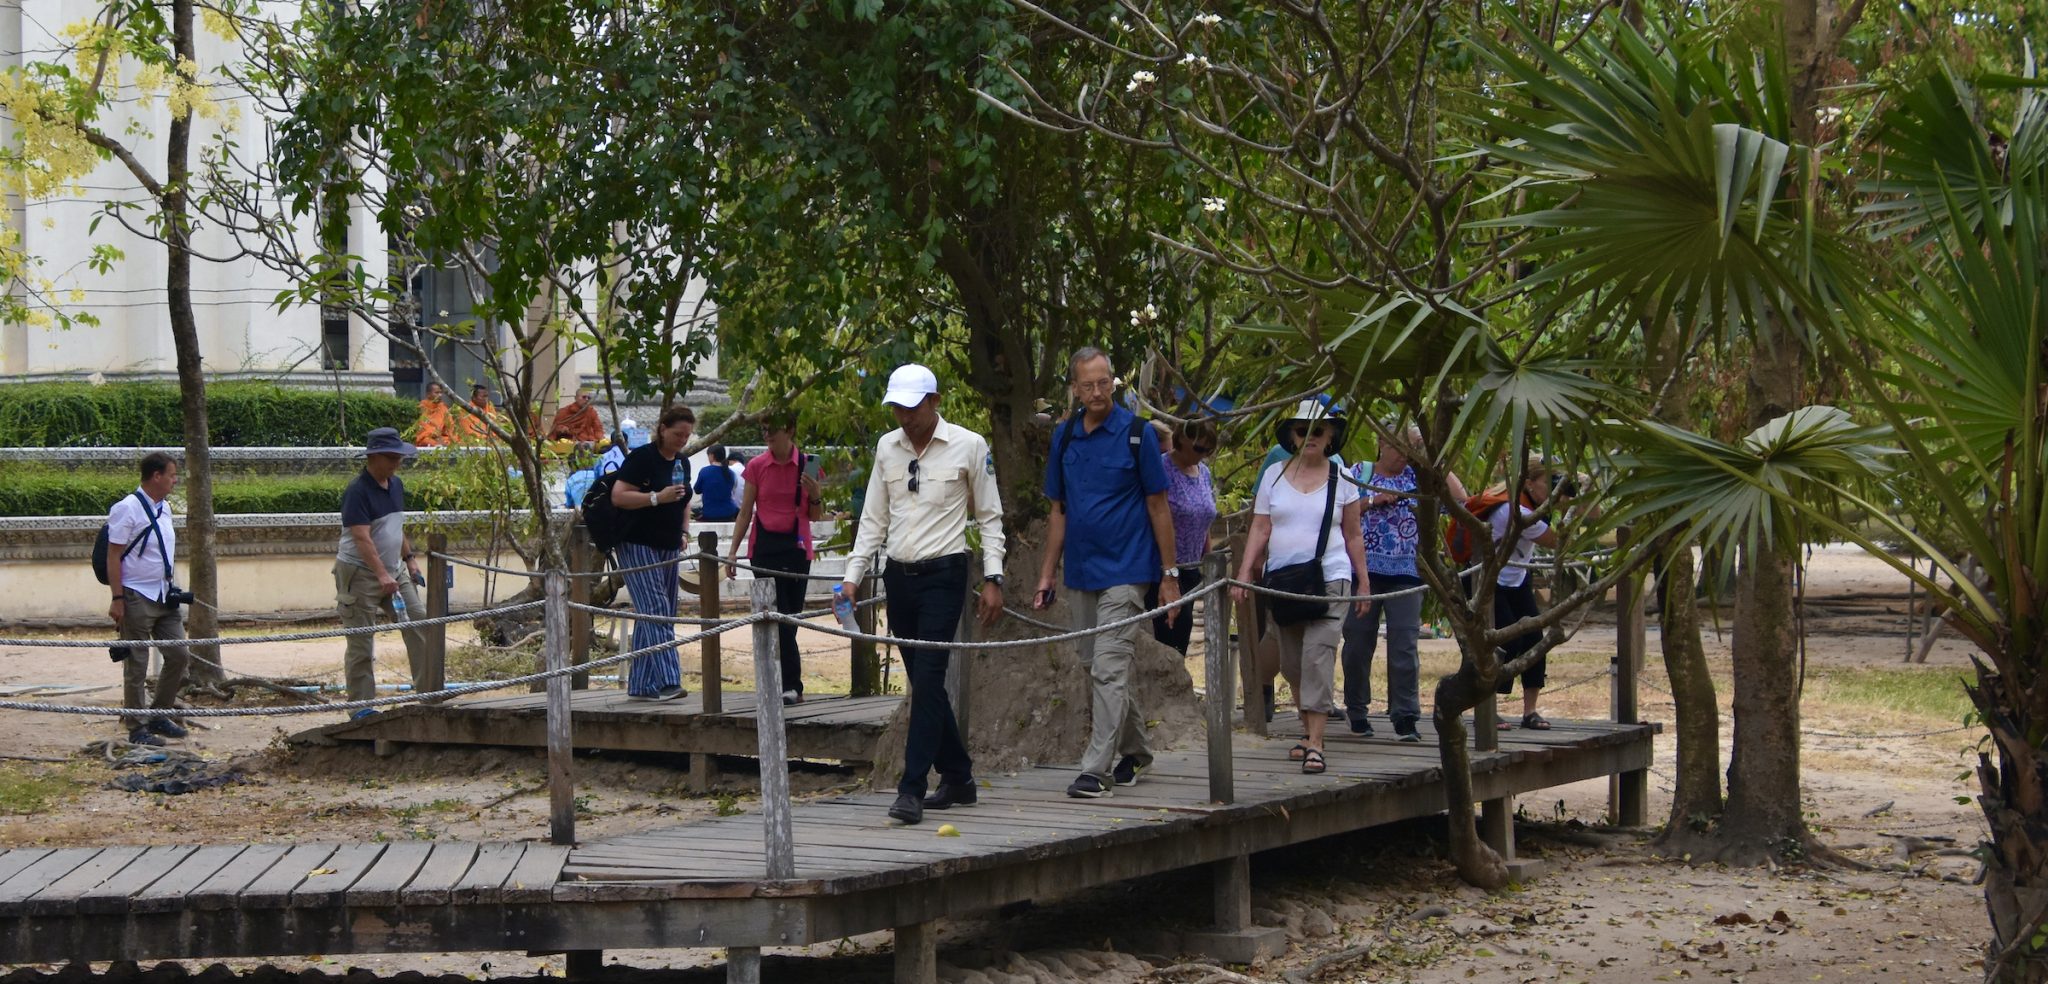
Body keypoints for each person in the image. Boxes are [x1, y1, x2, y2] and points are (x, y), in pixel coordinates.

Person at [841, 364, 1006, 825]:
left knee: (930, 676)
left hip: (945, 573)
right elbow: (873, 518)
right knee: (926, 683)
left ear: (934, 402)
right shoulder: (886, 448)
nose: (905, 416)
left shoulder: (970, 445)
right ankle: (959, 775)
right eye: (897, 406)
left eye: (913, 407)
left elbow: (990, 517)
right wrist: (853, 577)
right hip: (899, 576)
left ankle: (911, 788)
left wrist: (994, 577)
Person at [1034, 349, 1180, 799]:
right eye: (1088, 385)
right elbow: (1058, 511)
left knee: (1109, 669)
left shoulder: (1138, 435)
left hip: (1128, 570)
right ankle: (1136, 752)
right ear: (1075, 389)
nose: (1097, 393)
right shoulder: (1064, 437)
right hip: (1081, 570)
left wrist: (1169, 573)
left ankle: (1095, 771)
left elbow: (1159, 506)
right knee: (1094, 665)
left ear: (1113, 383)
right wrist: (1047, 574)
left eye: (1104, 383)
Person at [1231, 401, 1370, 775]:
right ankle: (1307, 733)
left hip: (1332, 577)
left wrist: (1364, 582)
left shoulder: (1343, 479)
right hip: (1284, 581)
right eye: (1301, 430)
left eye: (1318, 430)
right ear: (1291, 436)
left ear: (1330, 437)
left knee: (1318, 654)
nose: (1309, 437)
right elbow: (1260, 528)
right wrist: (1245, 573)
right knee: (1293, 663)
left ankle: (1317, 743)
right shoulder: (1273, 476)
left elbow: (1354, 534)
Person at [1340, 424, 1466, 742]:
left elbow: (1460, 498)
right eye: (1400, 446)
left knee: (1404, 647)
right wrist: (1373, 501)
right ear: (1382, 443)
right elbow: (1340, 513)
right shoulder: (1359, 472)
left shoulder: (1418, 478)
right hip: (1363, 574)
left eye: (1412, 447)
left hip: (1406, 575)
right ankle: (1357, 710)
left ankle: (1406, 716)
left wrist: (1430, 457)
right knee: (1357, 644)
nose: (1404, 454)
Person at [726, 416, 824, 705]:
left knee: (790, 618)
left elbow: (815, 515)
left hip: (797, 549)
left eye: (774, 429)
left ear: (790, 429)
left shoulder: (809, 463)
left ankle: (785, 682)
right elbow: (745, 512)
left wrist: (816, 495)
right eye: (764, 430)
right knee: (776, 616)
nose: (768, 434)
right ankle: (789, 684)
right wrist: (733, 552)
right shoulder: (756, 466)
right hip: (764, 548)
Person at [335, 428, 428, 710]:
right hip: (360, 573)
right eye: (391, 457)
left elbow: (394, 527)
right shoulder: (357, 491)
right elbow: (363, 538)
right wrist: (381, 574)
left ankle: (429, 692)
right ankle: (361, 706)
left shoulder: (396, 485)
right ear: (373, 457)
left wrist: (409, 559)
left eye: (399, 457)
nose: (396, 463)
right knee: (361, 641)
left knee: (419, 623)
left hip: (394, 569)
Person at [610, 405, 696, 700]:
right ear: (662, 429)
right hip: (637, 542)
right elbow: (619, 496)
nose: (682, 439)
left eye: (687, 435)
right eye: (677, 433)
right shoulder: (643, 457)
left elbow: (685, 499)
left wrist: (684, 532)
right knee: (655, 608)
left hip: (669, 543)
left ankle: (643, 685)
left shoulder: (682, 462)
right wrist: (656, 498)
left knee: (660, 611)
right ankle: (670, 681)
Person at [105, 452, 190, 746]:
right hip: (136, 594)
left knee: (180, 654)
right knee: (137, 664)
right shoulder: (126, 508)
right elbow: (113, 555)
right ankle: (136, 726)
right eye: (171, 474)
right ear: (156, 476)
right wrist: (117, 598)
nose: (175, 480)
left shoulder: (165, 508)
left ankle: (158, 714)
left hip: (165, 593)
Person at [1486, 454, 1564, 730]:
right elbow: (1556, 541)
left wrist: (1578, 494)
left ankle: (1530, 711)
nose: (1553, 488)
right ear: (1529, 483)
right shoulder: (1513, 509)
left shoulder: (1534, 504)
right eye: (1549, 482)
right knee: (1504, 642)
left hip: (1517, 577)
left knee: (1534, 638)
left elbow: (1595, 515)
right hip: (1489, 581)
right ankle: (1489, 708)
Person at [1149, 417, 1219, 656]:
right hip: (1163, 567)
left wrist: (1208, 562)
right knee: (1169, 633)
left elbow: (1204, 518)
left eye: (1208, 450)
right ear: (1183, 440)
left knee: (1182, 634)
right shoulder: (1161, 468)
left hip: (1192, 567)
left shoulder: (1204, 473)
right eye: (1199, 448)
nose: (1203, 454)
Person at [695, 445, 742, 522]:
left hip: (709, 513)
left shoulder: (704, 471)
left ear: (712, 456)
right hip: (729, 512)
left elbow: (697, 490)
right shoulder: (731, 473)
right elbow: (733, 490)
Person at [413, 382, 454, 448]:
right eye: (437, 393)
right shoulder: (421, 408)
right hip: (425, 440)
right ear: (428, 394)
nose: (440, 395)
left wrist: (444, 440)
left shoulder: (443, 408)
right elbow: (422, 432)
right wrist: (435, 435)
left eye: (441, 392)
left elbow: (450, 428)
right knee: (426, 441)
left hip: (441, 440)